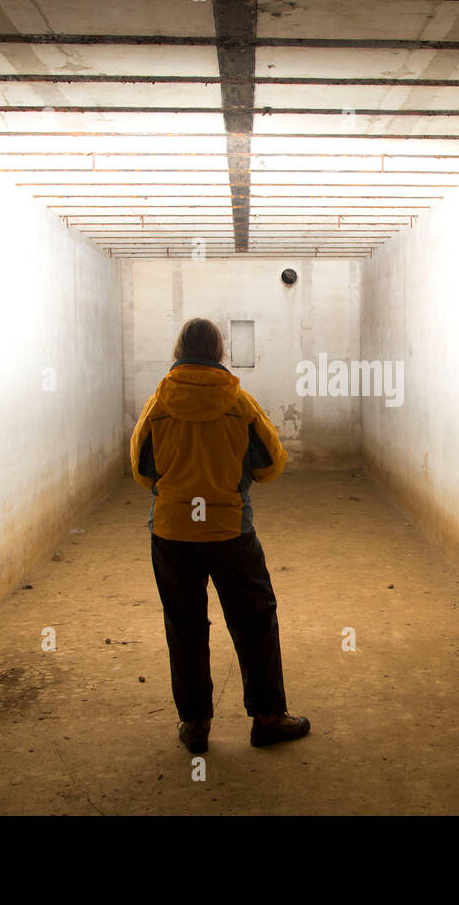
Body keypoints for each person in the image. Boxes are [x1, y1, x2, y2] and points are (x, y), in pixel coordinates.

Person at [130, 317, 310, 753]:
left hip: (173, 533)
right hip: (230, 530)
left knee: (185, 626)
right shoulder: (240, 402)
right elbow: (271, 464)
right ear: (220, 353)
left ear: (178, 350)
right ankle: (268, 718)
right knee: (254, 621)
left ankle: (196, 726)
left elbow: (141, 469)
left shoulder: (158, 403)